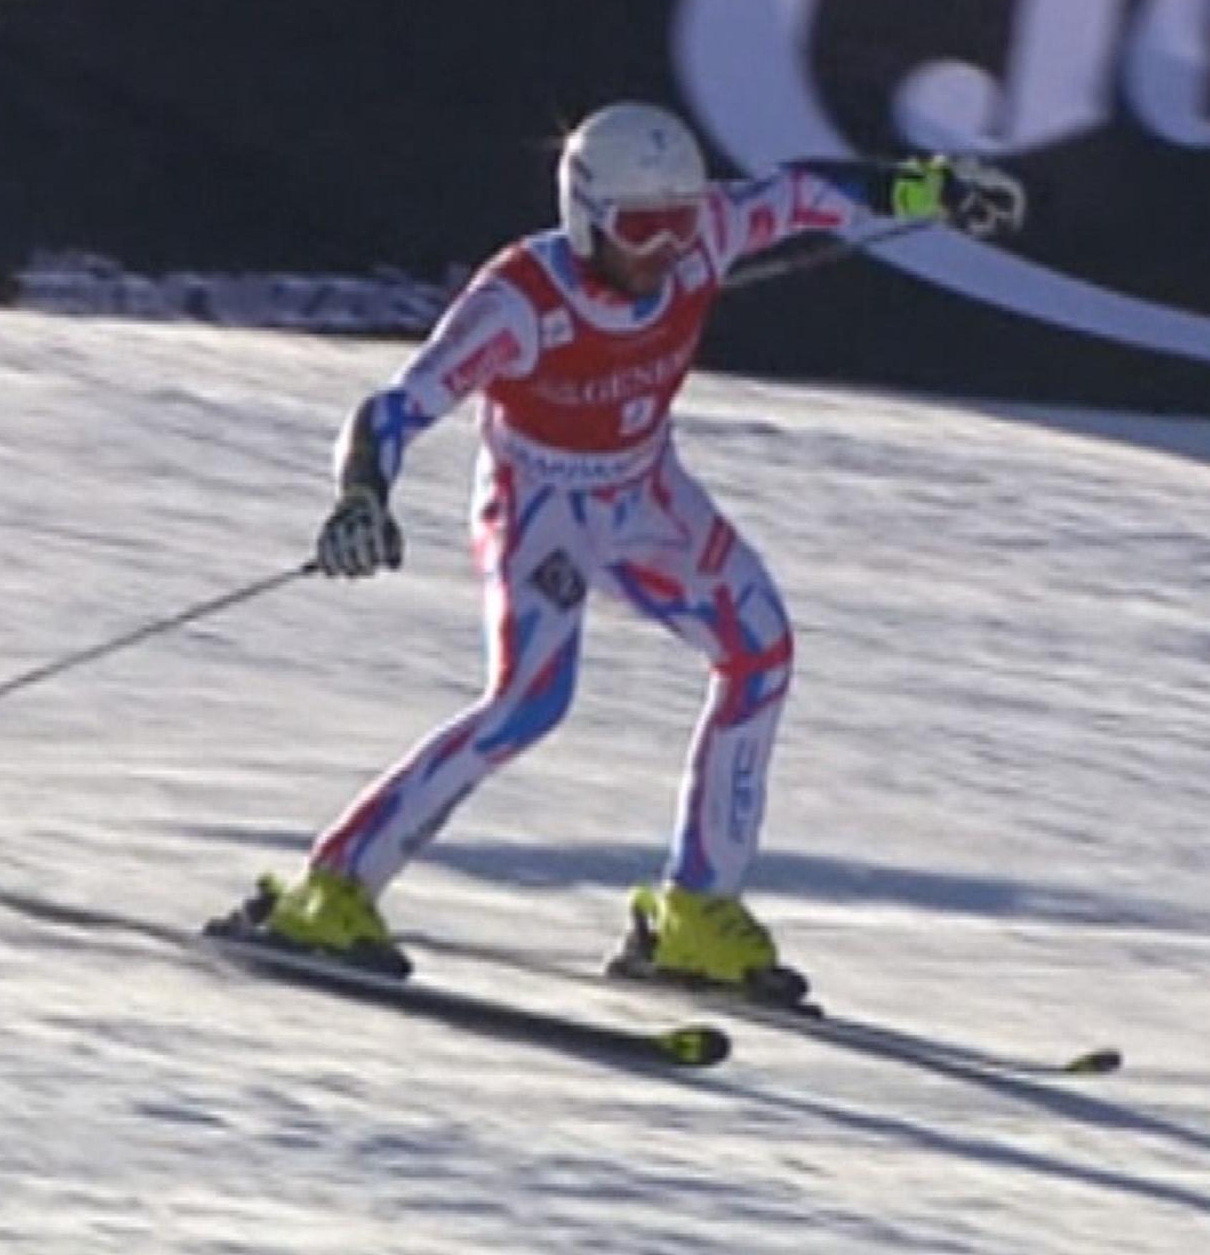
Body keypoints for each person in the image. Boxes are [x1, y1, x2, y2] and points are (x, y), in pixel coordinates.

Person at [224, 101, 1024, 1003]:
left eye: (679, 222)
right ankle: (330, 890)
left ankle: (697, 912)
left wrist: (930, 189)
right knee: (529, 702)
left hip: (645, 493)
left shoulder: (705, 237)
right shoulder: (520, 300)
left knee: (759, 650)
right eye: (643, 229)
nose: (666, 249)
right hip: (541, 508)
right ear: (587, 217)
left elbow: (803, 194)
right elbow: (396, 406)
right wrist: (362, 495)